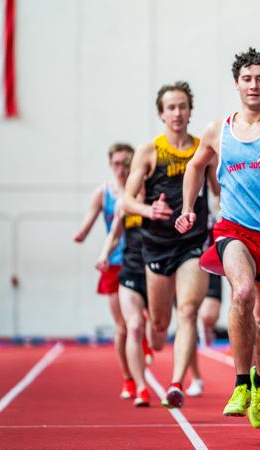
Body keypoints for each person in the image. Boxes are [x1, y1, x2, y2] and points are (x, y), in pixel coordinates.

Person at [176, 47, 260, 429]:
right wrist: (188, 209)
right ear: (237, 84)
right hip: (234, 230)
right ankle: (240, 382)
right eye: (246, 79)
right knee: (242, 293)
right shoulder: (219, 130)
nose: (253, 85)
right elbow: (195, 167)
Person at [122, 81, 215, 409]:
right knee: (159, 327)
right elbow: (126, 201)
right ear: (162, 114)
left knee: (188, 310)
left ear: (191, 111)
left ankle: (176, 383)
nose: (177, 112)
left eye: (182, 106)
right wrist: (150, 209)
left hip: (193, 241)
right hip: (157, 245)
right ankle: (154, 343)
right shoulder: (150, 151)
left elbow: (218, 189)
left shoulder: (204, 147)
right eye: (171, 107)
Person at [73, 143, 135, 399]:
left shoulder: (139, 190)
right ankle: (128, 379)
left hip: (139, 260)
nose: (121, 169)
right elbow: (89, 219)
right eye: (116, 164)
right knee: (122, 326)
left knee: (143, 322)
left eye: (125, 164)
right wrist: (82, 233)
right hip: (113, 262)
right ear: (111, 165)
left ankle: (141, 340)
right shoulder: (104, 193)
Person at [99, 188, 153, 406]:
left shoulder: (159, 199)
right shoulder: (124, 204)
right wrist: (103, 255)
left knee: (158, 333)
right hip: (130, 271)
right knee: (133, 327)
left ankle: (151, 337)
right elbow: (114, 235)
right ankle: (141, 387)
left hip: (157, 273)